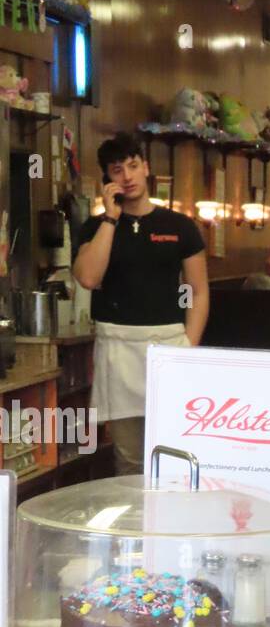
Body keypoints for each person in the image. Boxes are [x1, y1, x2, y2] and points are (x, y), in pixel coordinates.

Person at [73, 131, 208, 475]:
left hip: (169, 345)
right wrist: (109, 218)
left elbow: (198, 290)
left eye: (133, 166)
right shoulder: (95, 226)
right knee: (130, 458)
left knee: (177, 450)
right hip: (118, 349)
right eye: (117, 170)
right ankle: (133, 528)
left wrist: (188, 344)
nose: (127, 177)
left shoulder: (179, 226)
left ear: (146, 167)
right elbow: (88, 278)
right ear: (107, 179)